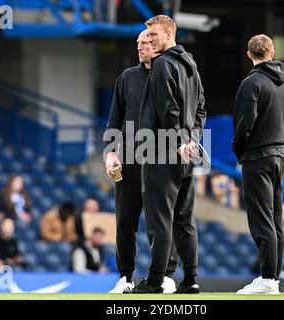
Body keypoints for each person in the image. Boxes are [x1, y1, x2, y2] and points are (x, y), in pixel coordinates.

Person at [134, 15, 207, 294]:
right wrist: (191, 140)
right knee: (184, 219)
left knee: (161, 218)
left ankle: (155, 280)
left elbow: (168, 108)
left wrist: (179, 140)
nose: (150, 40)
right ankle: (191, 279)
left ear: (168, 34)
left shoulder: (163, 64)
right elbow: (201, 108)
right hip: (185, 154)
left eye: (153, 35)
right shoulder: (191, 64)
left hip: (161, 150)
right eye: (147, 35)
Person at [104, 29, 178, 294]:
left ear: (157, 44)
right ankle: (125, 276)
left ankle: (165, 276)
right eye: (138, 44)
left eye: (146, 43)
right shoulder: (127, 77)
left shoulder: (169, 74)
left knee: (160, 222)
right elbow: (115, 118)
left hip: (160, 158)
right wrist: (111, 152)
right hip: (130, 159)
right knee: (125, 221)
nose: (140, 47)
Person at [232, 34, 284, 294]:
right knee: (275, 218)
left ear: (249, 54)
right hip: (280, 154)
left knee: (262, 218)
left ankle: (267, 278)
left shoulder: (251, 83)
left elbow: (245, 123)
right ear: (272, 51)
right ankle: (273, 278)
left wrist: (239, 149)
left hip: (257, 156)